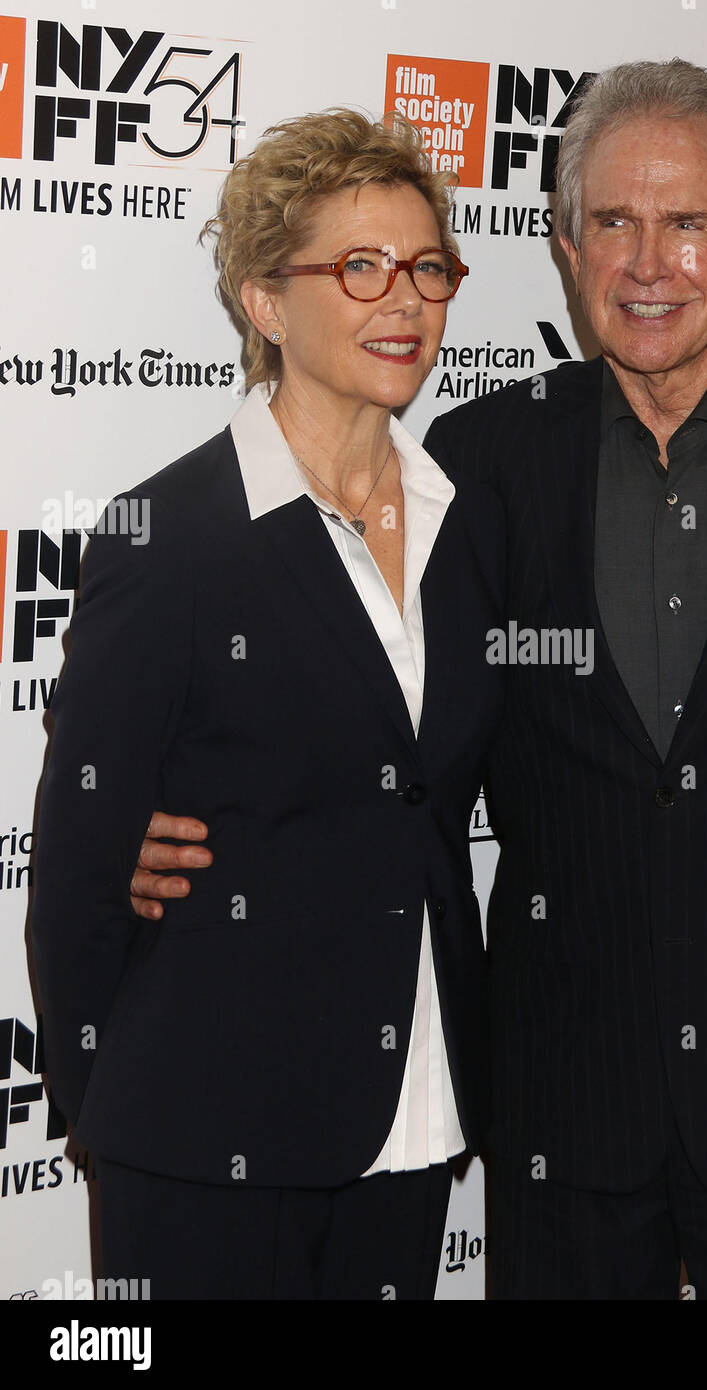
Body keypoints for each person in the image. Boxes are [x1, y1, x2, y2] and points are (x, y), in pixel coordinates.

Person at [133, 60, 707, 1300]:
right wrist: (169, 829)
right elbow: (402, 744)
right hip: (562, 1098)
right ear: (563, 244)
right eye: (612, 222)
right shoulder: (476, 460)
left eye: (687, 224)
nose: (647, 262)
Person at [30, 107, 504, 1299]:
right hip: (200, 1142)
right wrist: (118, 1120)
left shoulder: (469, 525)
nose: (406, 300)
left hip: (409, 1121)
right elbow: (80, 876)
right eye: (360, 267)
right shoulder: (173, 540)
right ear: (264, 303)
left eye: (427, 267)